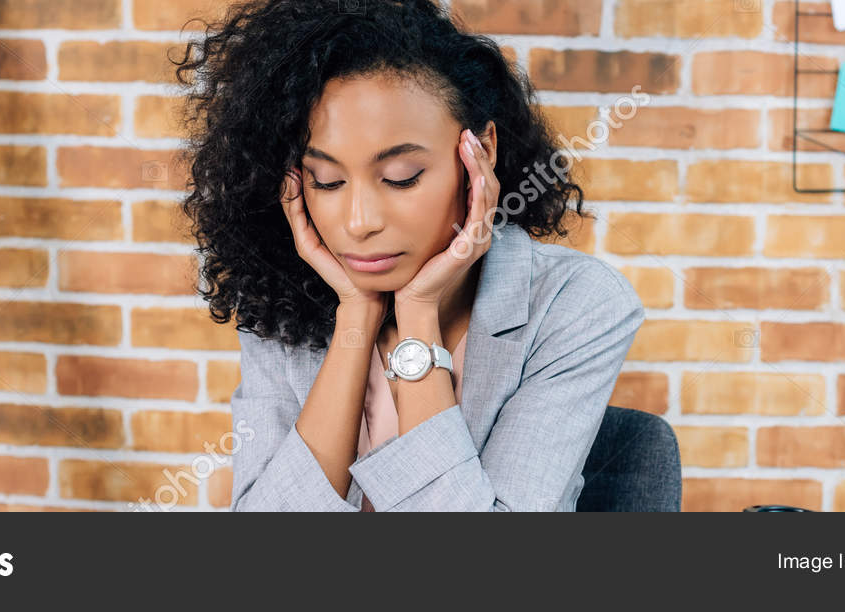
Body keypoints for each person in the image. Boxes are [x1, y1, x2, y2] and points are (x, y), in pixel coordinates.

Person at [178, 0, 644, 511]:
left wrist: (418, 314)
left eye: (402, 177)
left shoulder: (574, 304)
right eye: (326, 181)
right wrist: (356, 316)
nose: (359, 222)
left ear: (480, 152)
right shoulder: (280, 301)